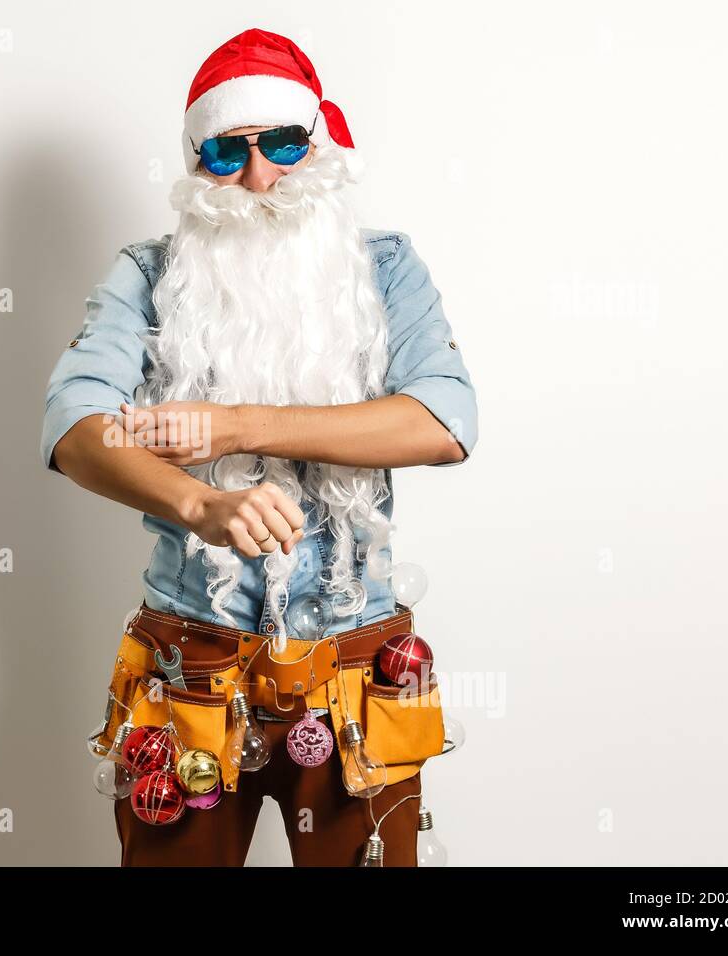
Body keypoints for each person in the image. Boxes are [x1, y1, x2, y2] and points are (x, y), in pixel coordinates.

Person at [40, 28, 478, 866]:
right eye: (225, 152)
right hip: (191, 669)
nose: (258, 177)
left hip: (356, 672)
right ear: (195, 161)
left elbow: (444, 421)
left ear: (318, 145)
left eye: (282, 143)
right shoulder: (147, 273)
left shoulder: (384, 270)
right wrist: (200, 502)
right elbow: (73, 425)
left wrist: (230, 425)